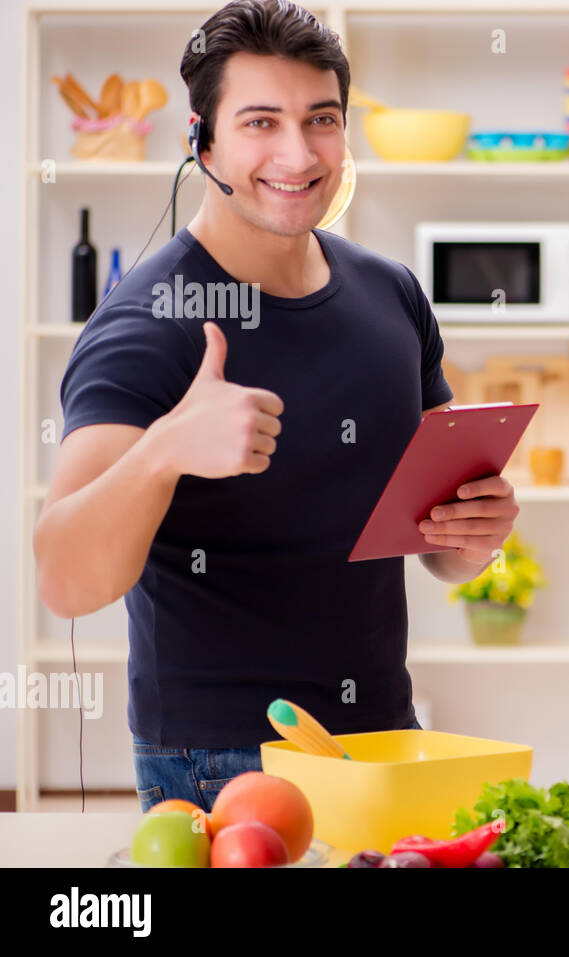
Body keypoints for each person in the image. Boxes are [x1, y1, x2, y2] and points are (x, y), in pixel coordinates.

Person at [33, 0, 519, 812]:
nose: (298, 153)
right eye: (261, 122)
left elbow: (439, 546)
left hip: (381, 731)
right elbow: (65, 577)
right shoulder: (147, 325)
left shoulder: (390, 293)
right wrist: (165, 449)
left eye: (320, 119)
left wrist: (474, 535)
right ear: (203, 140)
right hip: (223, 759)